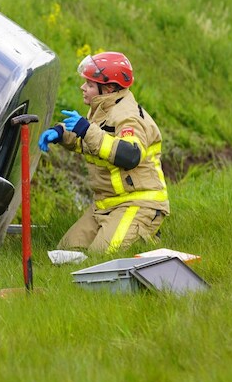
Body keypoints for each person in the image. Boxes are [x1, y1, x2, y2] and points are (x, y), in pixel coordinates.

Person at [38, 52, 169, 256]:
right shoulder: (102, 108)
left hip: (137, 203)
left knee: (99, 258)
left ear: (108, 88)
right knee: (65, 252)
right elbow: (91, 141)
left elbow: (130, 156)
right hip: (104, 204)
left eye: (89, 84)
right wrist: (61, 133)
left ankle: (145, 235)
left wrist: (86, 130)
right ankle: (134, 236)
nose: (83, 88)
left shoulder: (129, 116)